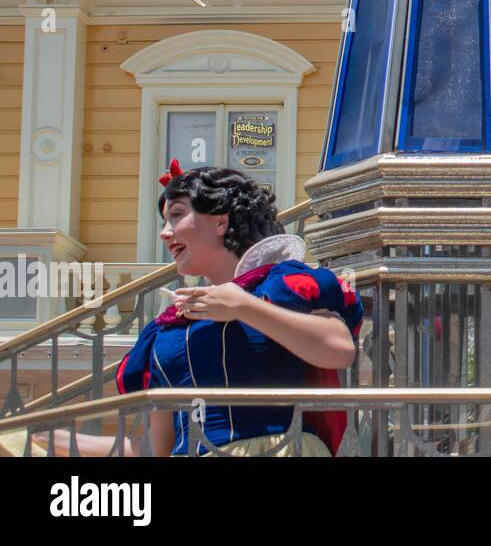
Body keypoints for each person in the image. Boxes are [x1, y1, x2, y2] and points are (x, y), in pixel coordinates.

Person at [2, 164, 363, 457]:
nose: (164, 232)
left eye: (176, 216)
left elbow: (338, 350)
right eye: (164, 221)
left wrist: (242, 306)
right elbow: (154, 448)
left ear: (221, 221)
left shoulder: (284, 285)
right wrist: (57, 441)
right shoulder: (166, 333)